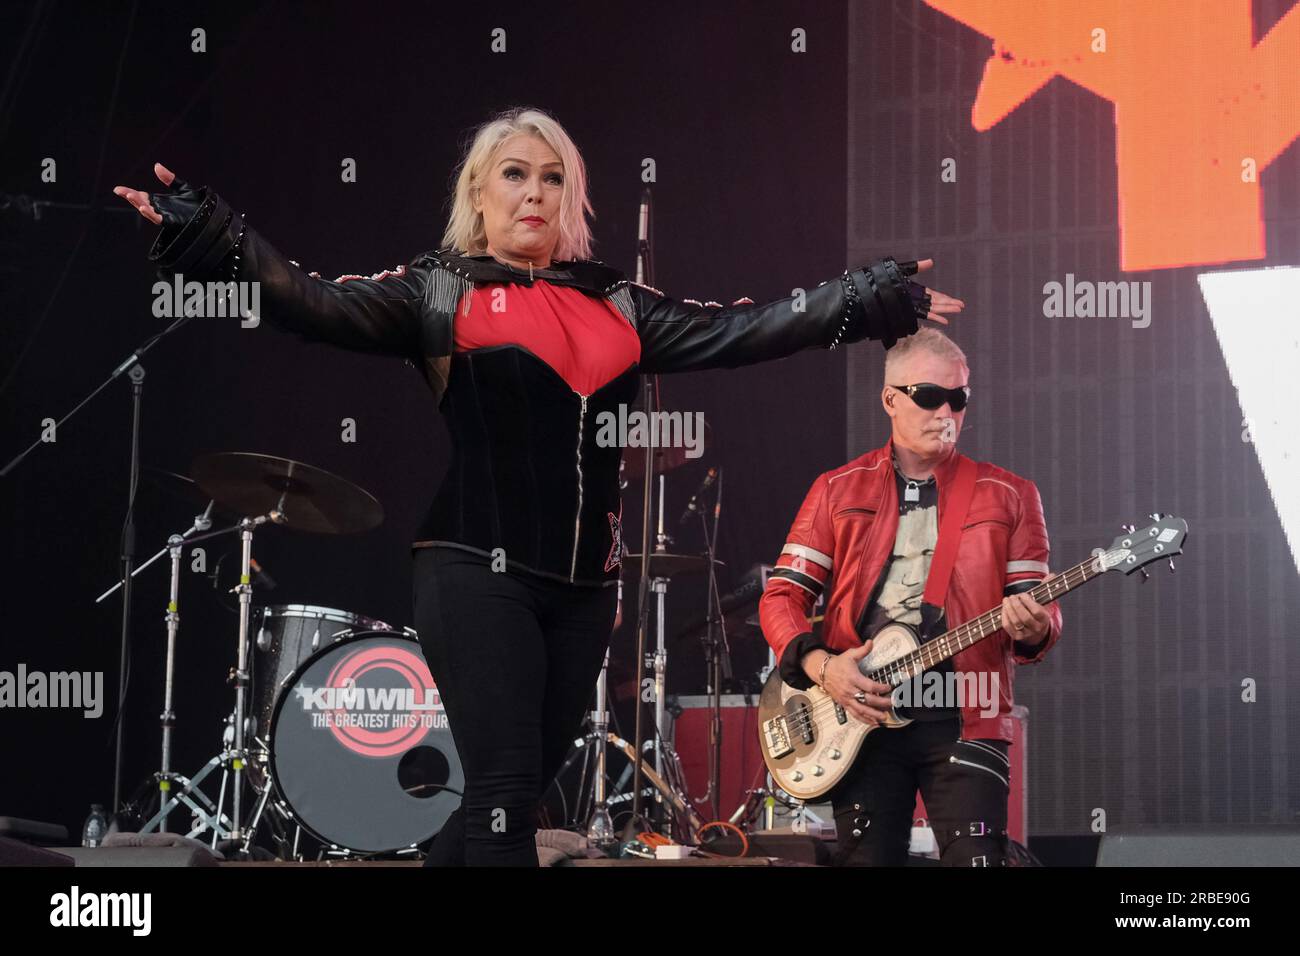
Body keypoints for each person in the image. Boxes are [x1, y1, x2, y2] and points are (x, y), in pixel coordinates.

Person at [113, 106, 965, 866]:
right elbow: (307, 300)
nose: (535, 194)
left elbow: (750, 327)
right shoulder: (439, 291)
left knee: (510, 807)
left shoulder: (620, 306)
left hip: (584, 592)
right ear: (479, 194)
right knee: (502, 792)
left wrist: (868, 299)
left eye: (553, 178)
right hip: (471, 569)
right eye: (515, 175)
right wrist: (217, 237)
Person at [759, 327, 1061, 866]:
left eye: (958, 398)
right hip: (861, 714)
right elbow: (781, 596)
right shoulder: (837, 489)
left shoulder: (1010, 494)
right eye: (929, 396)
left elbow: (1038, 612)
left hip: (969, 706)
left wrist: (1037, 626)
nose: (945, 411)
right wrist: (822, 667)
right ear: (890, 399)